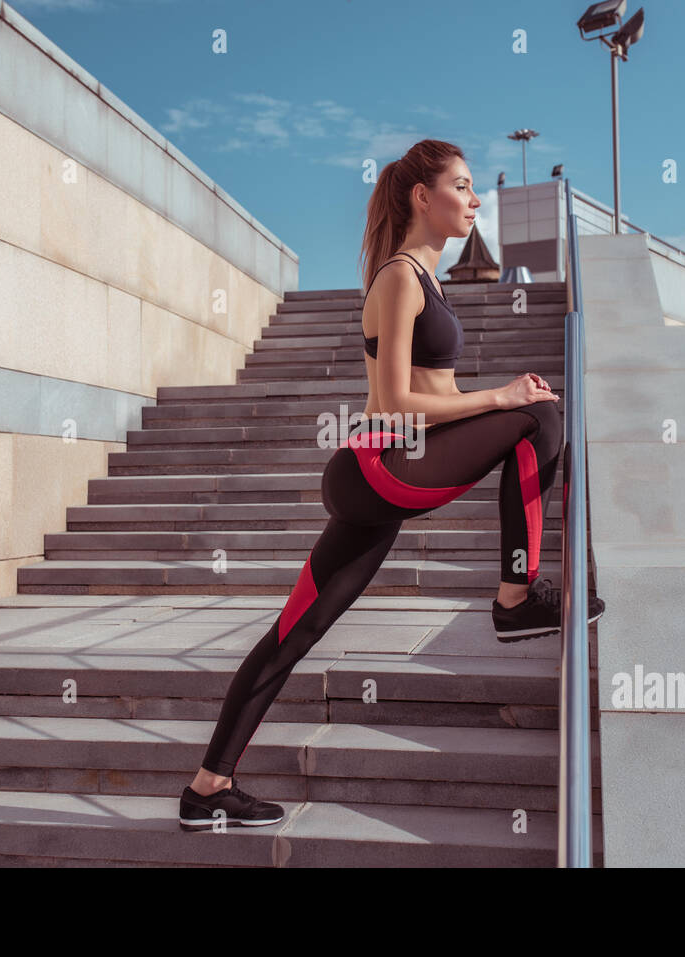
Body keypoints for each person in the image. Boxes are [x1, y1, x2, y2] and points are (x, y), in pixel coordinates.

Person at [179, 139, 606, 830]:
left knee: (297, 628)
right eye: (463, 187)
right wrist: (499, 398)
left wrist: (489, 400)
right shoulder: (401, 276)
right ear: (422, 196)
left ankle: (207, 786)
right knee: (538, 415)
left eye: (474, 189)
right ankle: (516, 596)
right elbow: (397, 405)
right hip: (382, 461)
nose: (474, 200)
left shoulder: (426, 280)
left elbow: (439, 395)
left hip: (384, 474)